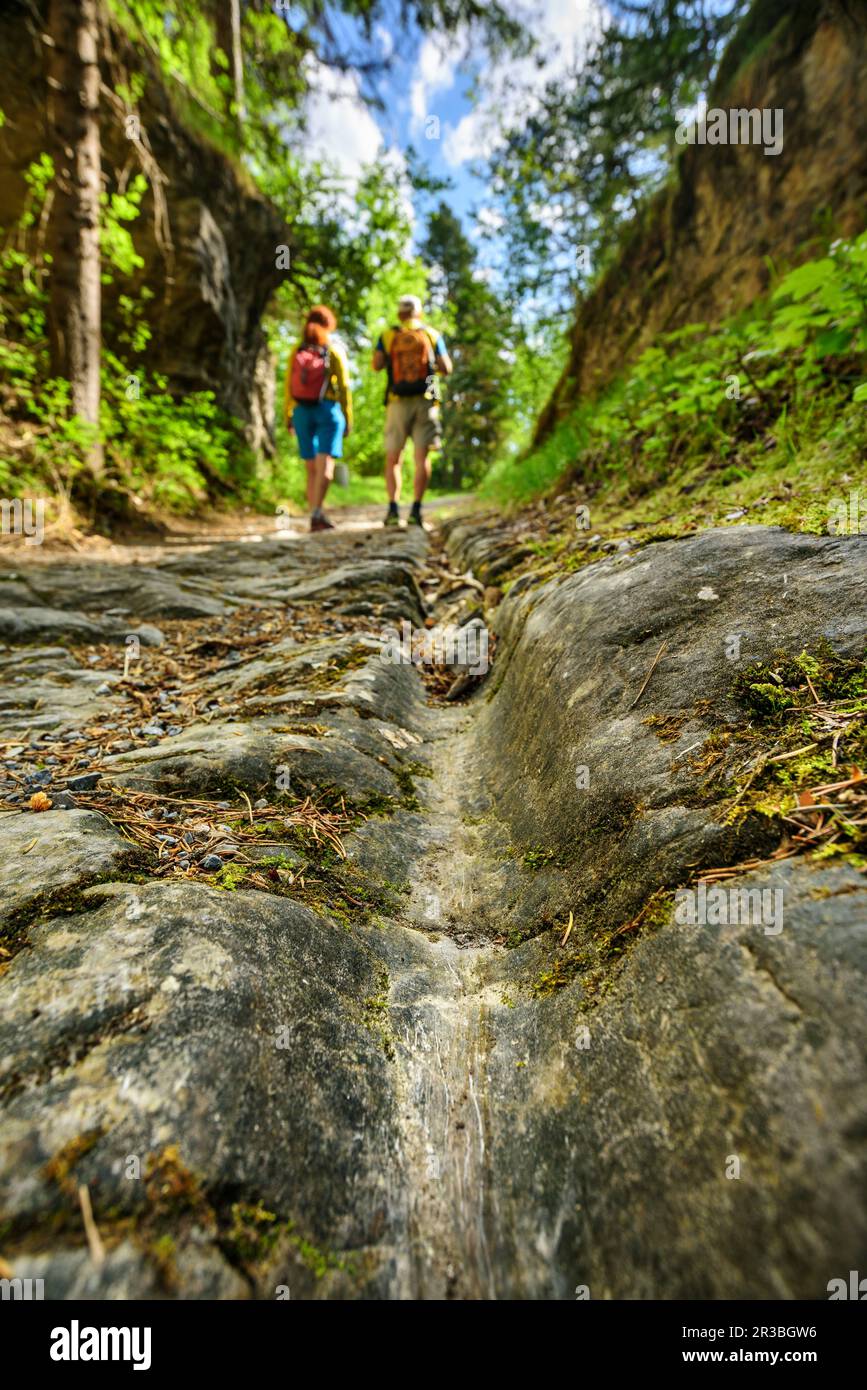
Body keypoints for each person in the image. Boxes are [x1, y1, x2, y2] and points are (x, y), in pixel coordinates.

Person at [372, 294, 452, 528]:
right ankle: (416, 510)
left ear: (400, 313)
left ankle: (393, 509)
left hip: (397, 400)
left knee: (393, 458)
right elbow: (446, 368)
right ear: (419, 312)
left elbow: (376, 365)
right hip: (426, 400)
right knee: (421, 457)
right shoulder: (431, 334)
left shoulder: (388, 335)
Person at [285, 305, 352, 532]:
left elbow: (288, 386)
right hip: (328, 410)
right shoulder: (332, 351)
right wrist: (347, 416)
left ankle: (313, 512)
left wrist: (288, 414)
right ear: (329, 325)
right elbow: (343, 387)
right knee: (325, 466)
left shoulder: (297, 350)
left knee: (310, 467)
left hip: (301, 411)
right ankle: (317, 513)